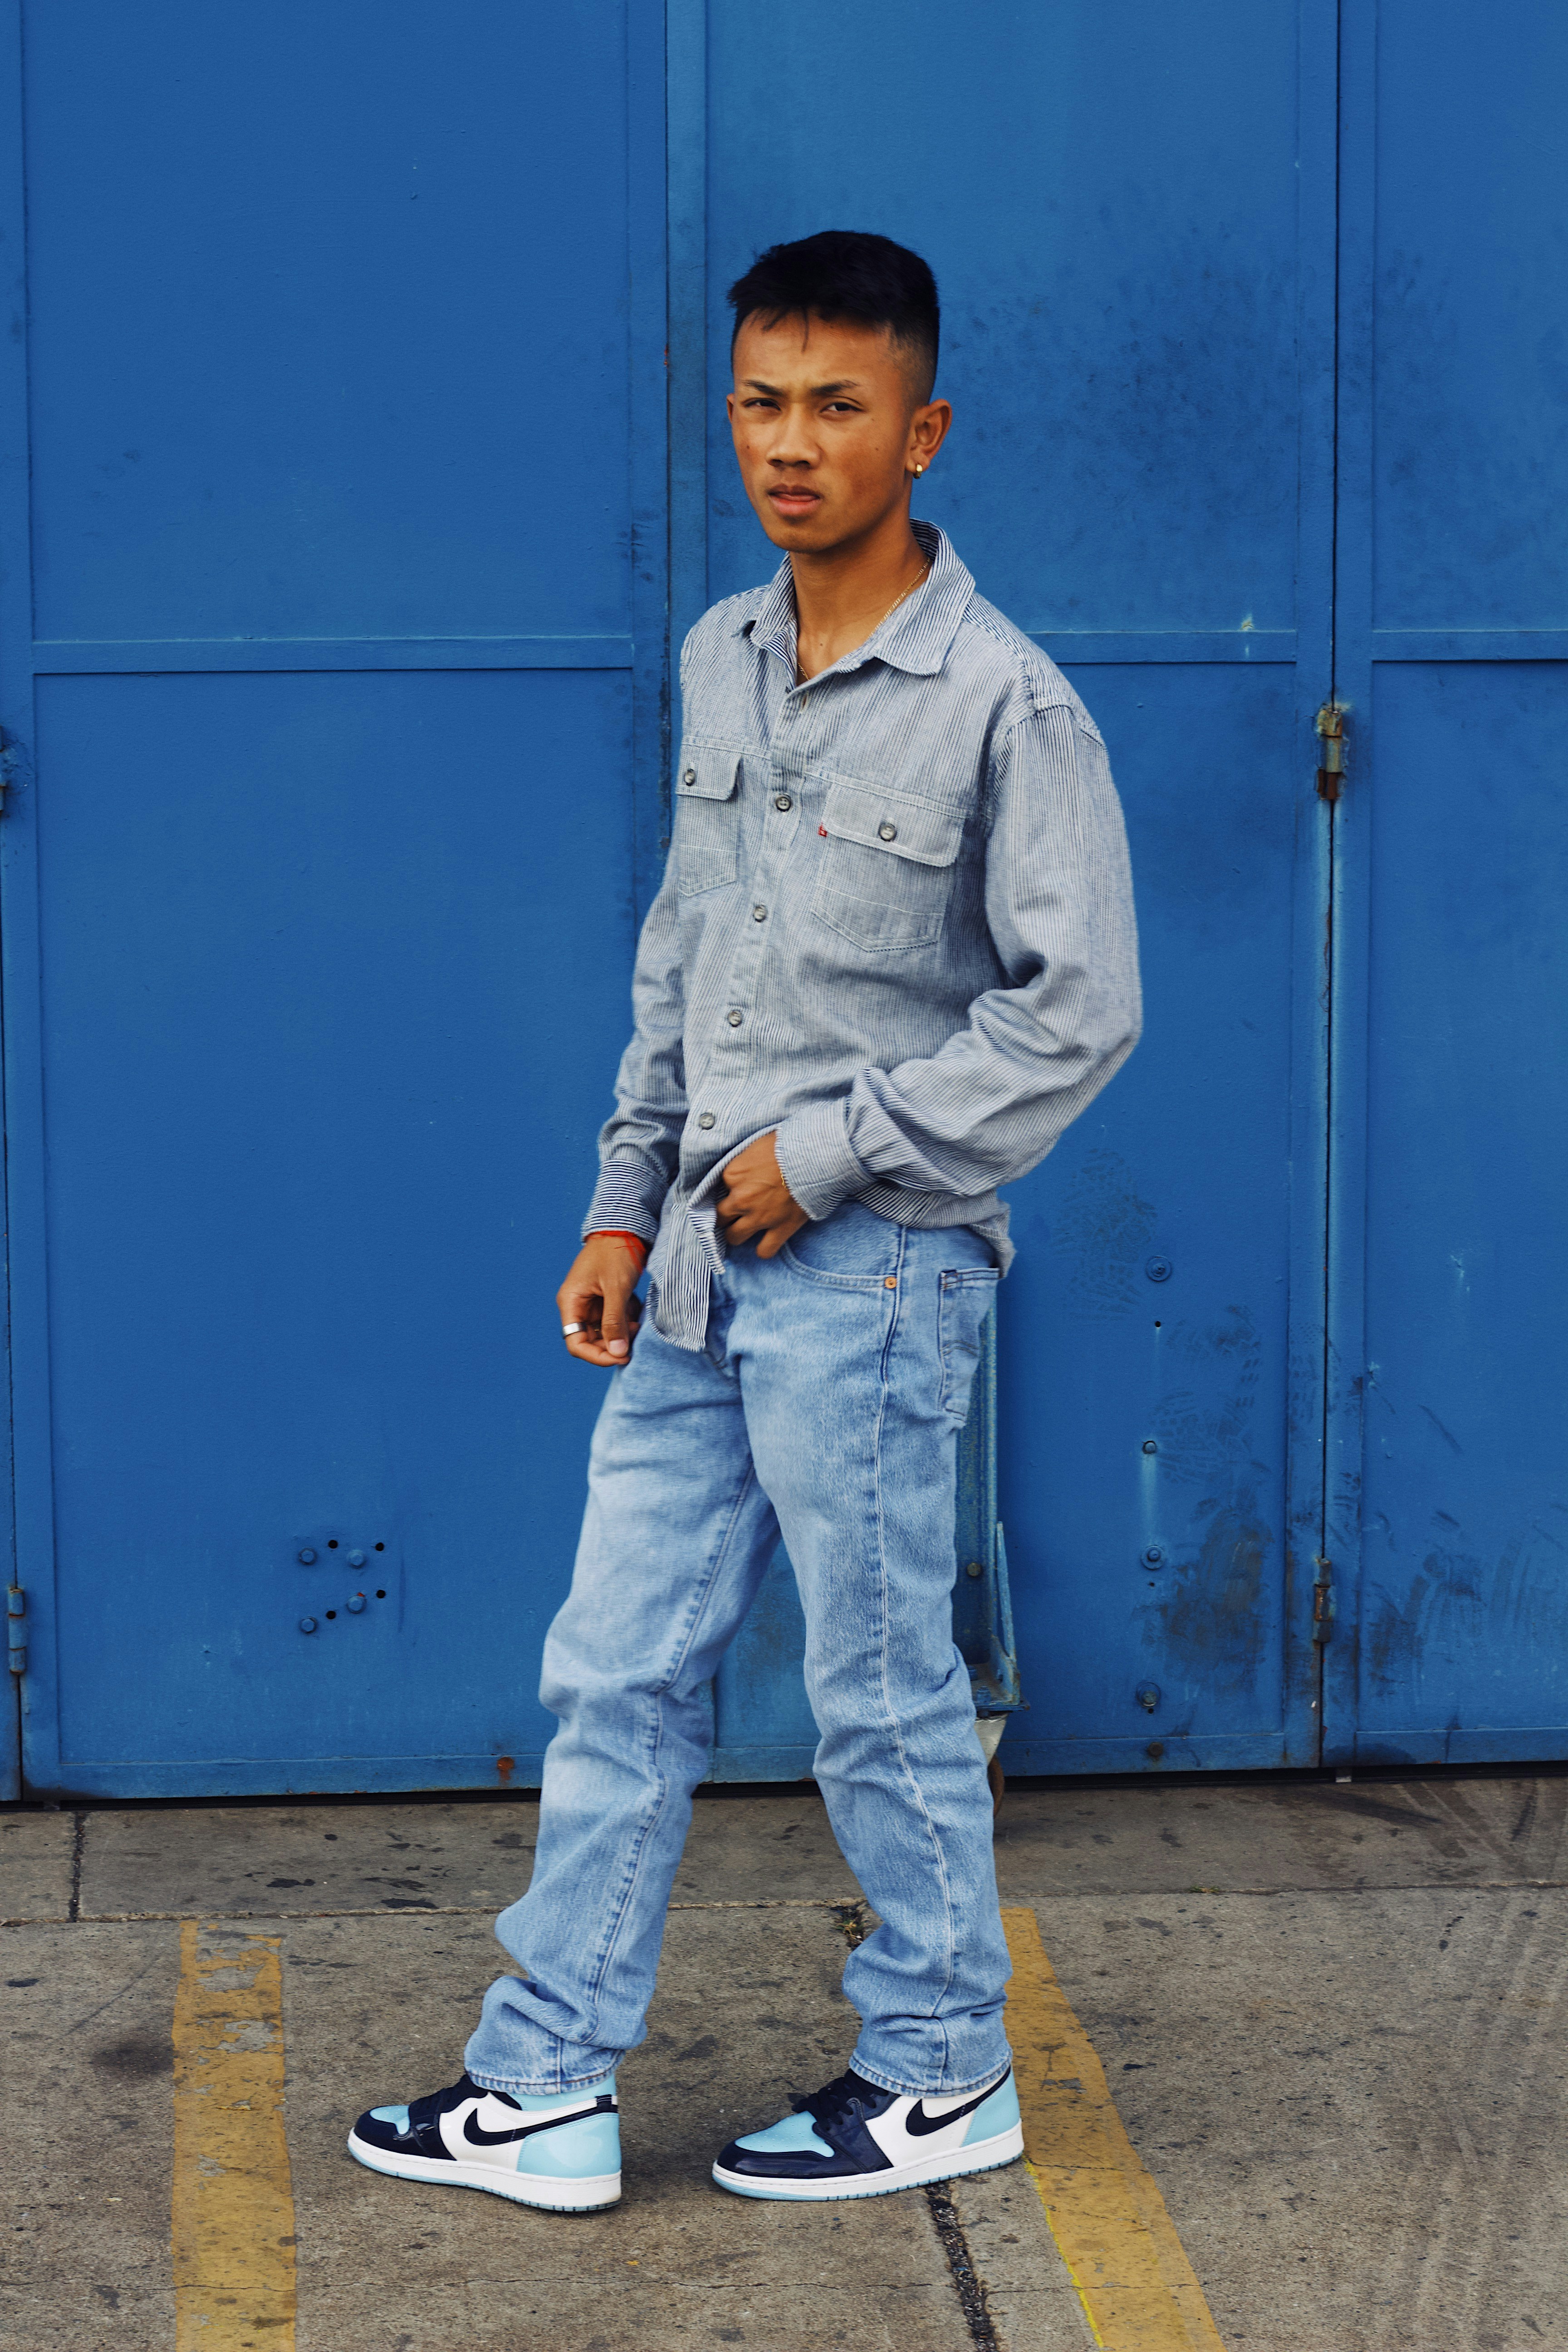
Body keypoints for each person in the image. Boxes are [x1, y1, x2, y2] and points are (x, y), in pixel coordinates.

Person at [348, 230, 1140, 2212]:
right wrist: (625, 1202)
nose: (793, 444)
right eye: (764, 404)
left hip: (872, 1277)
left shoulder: (1002, 705)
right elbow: (685, 955)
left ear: (923, 430)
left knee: (877, 1691)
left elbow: (1083, 1011)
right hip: (701, 1267)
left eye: (839, 407)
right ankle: (544, 2084)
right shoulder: (724, 653)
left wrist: (847, 1153)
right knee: (616, 1666)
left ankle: (947, 2066)